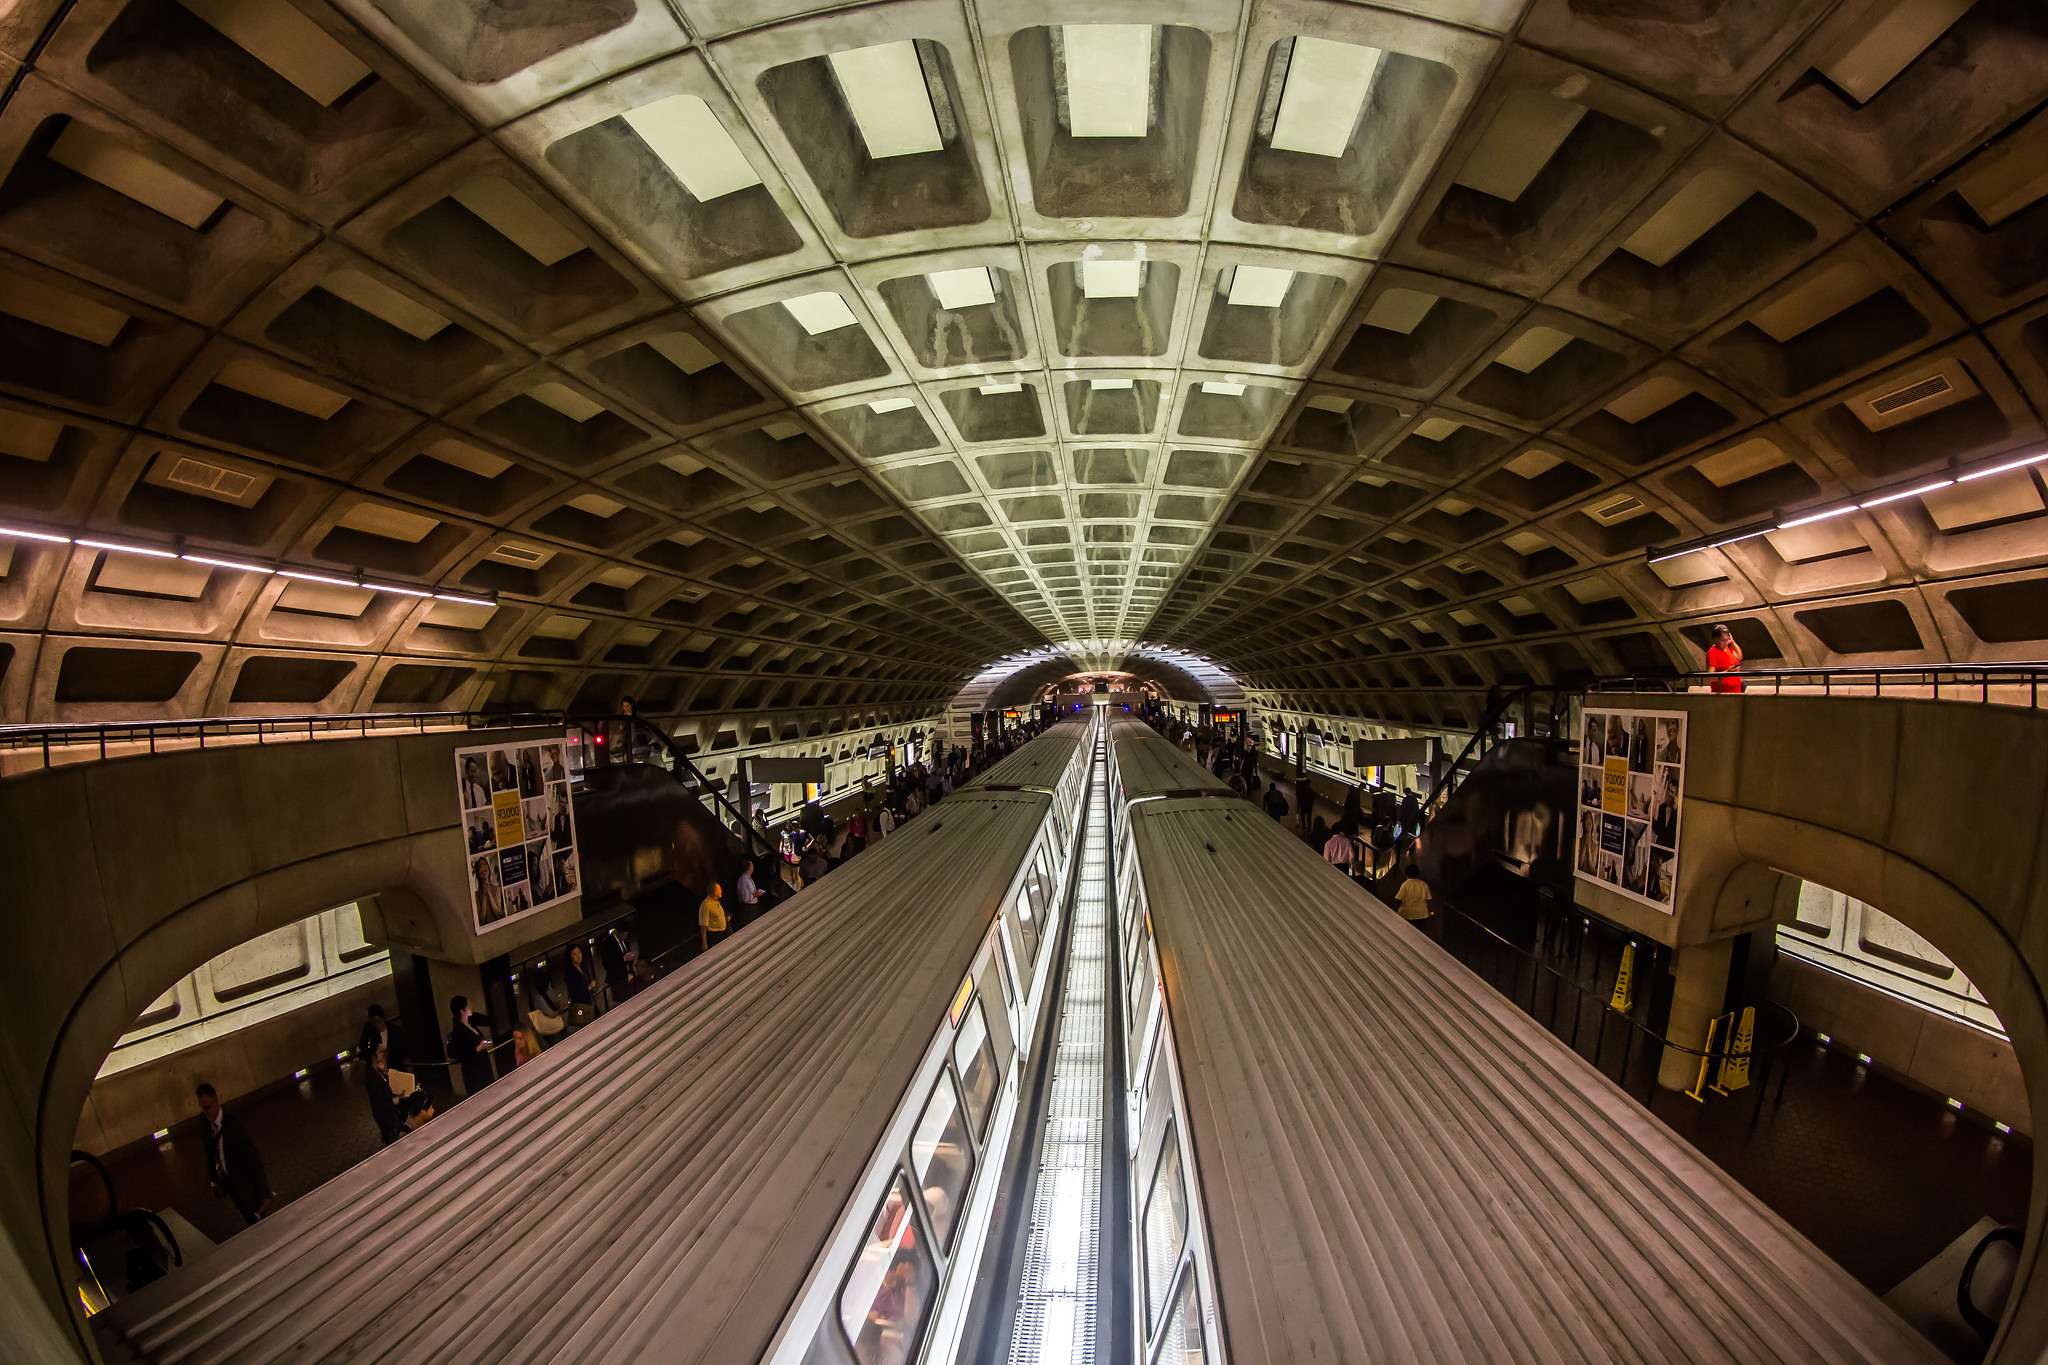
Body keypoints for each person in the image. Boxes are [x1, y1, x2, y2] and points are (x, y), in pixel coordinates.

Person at [196, 1083, 271, 1225]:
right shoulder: (204, 1122)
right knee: (246, 1213)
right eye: (202, 1107)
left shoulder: (233, 1126)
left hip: (245, 1182)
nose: (205, 1112)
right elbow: (209, 1151)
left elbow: (253, 1159)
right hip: (230, 1182)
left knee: (257, 1216)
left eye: (207, 1107)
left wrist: (265, 1193)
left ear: (216, 1100)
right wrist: (214, 1180)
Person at [448, 996, 493, 1097]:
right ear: (461, 1011)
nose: (470, 1007)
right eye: (467, 1006)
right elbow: (463, 1054)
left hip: (483, 1065)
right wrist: (479, 1048)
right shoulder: (458, 1030)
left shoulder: (470, 1022)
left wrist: (470, 1015)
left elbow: (486, 1020)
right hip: (474, 1072)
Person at [1395, 864, 1434, 935]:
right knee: (1420, 935)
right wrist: (1431, 912)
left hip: (1407, 914)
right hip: (1422, 915)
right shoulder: (1423, 884)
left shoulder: (1405, 884)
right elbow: (1429, 900)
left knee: (1407, 934)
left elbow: (1398, 899)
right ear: (1418, 874)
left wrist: (1394, 911)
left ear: (1406, 874)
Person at [1705, 622, 1744, 692]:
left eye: (1727, 639)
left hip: (1736, 691)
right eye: (1722, 640)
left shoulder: (1728, 648)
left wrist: (1732, 642)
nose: (1725, 643)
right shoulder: (1713, 653)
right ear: (1715, 638)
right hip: (1723, 694)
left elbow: (1739, 656)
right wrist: (1727, 672)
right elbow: (1710, 677)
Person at [564, 944, 596, 1025]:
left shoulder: (583, 967)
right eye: (574, 954)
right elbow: (574, 992)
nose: (578, 956)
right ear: (570, 957)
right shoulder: (570, 973)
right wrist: (589, 987)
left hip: (590, 1001)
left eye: (579, 953)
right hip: (582, 1005)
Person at [699, 881, 728, 952]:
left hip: (722, 933)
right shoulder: (706, 904)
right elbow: (703, 925)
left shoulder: (716, 901)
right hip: (714, 936)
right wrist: (704, 942)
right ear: (714, 892)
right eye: (719, 889)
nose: (721, 891)